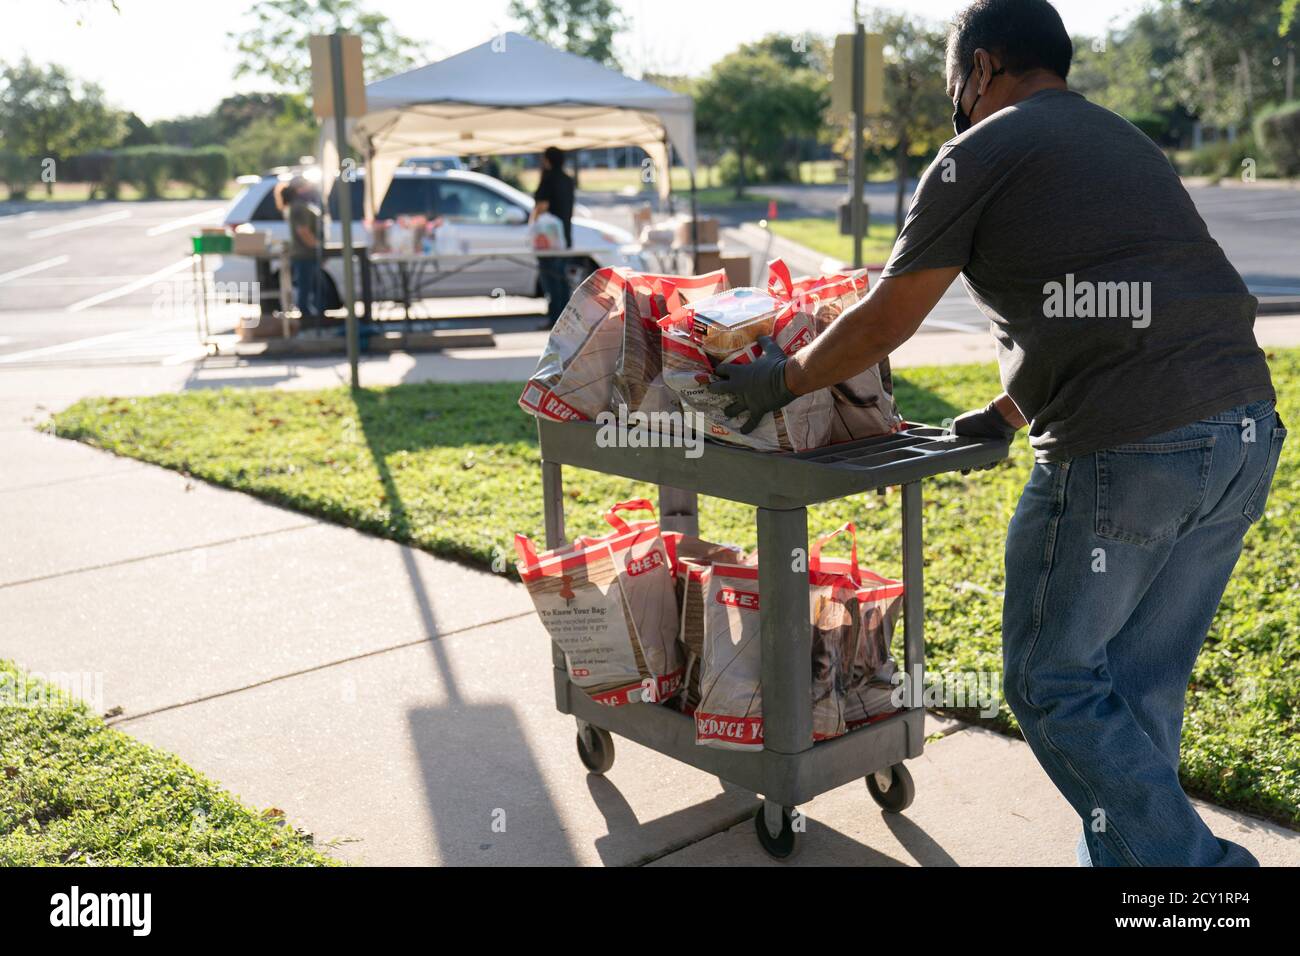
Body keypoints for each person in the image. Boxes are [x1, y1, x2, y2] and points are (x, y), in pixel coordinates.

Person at [711, 0, 1283, 867]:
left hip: (1130, 448)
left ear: (979, 68)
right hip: (1242, 431)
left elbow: (886, 317)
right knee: (1135, 687)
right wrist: (1011, 408)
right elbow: (1129, 293)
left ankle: (1202, 887)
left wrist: (780, 378)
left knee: (1048, 681)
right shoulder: (1122, 139)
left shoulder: (978, 150)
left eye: (955, 84)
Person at [532, 146, 575, 329]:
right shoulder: (568, 180)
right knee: (562, 279)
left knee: (550, 280)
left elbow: (541, 205)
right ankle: (565, 318)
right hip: (564, 236)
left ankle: (555, 319)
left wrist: (532, 224)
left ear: (547, 160)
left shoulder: (548, 179)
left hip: (548, 240)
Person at [277, 176, 324, 323]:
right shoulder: (298, 207)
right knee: (306, 289)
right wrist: (316, 246)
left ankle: (313, 317)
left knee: (312, 287)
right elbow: (303, 230)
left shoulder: (298, 206)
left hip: (306, 253)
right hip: (304, 254)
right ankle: (307, 321)